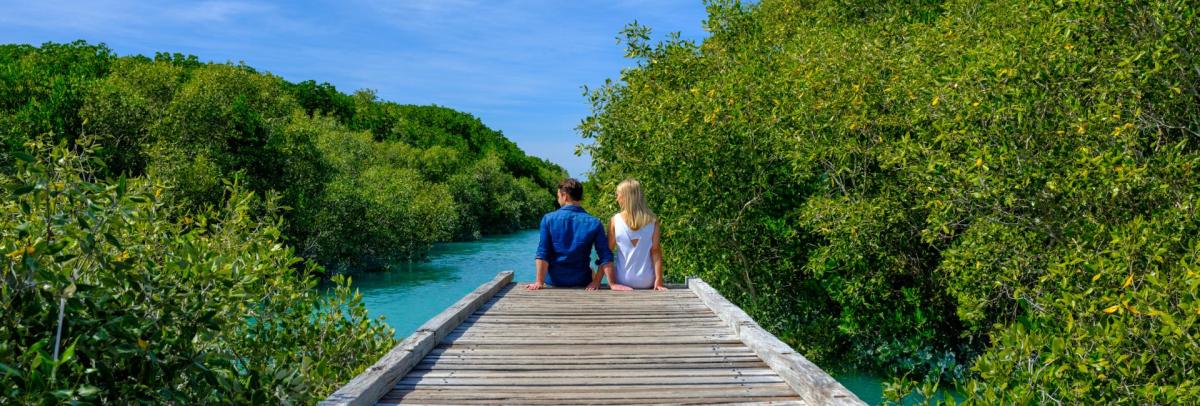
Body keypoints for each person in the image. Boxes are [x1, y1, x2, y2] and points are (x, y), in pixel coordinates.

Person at [528, 178, 629, 291]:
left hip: (554, 282)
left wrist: (539, 282)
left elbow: (543, 253)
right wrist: (612, 283)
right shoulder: (594, 222)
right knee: (592, 271)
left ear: (565, 196)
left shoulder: (548, 219)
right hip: (582, 281)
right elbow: (605, 255)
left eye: (558, 196)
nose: (558, 199)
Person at [605, 178, 667, 290]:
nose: (616, 199)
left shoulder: (615, 220)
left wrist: (600, 281)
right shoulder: (653, 220)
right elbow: (656, 251)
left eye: (618, 195)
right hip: (647, 281)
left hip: (622, 281)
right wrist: (659, 281)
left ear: (626, 197)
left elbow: (607, 253)